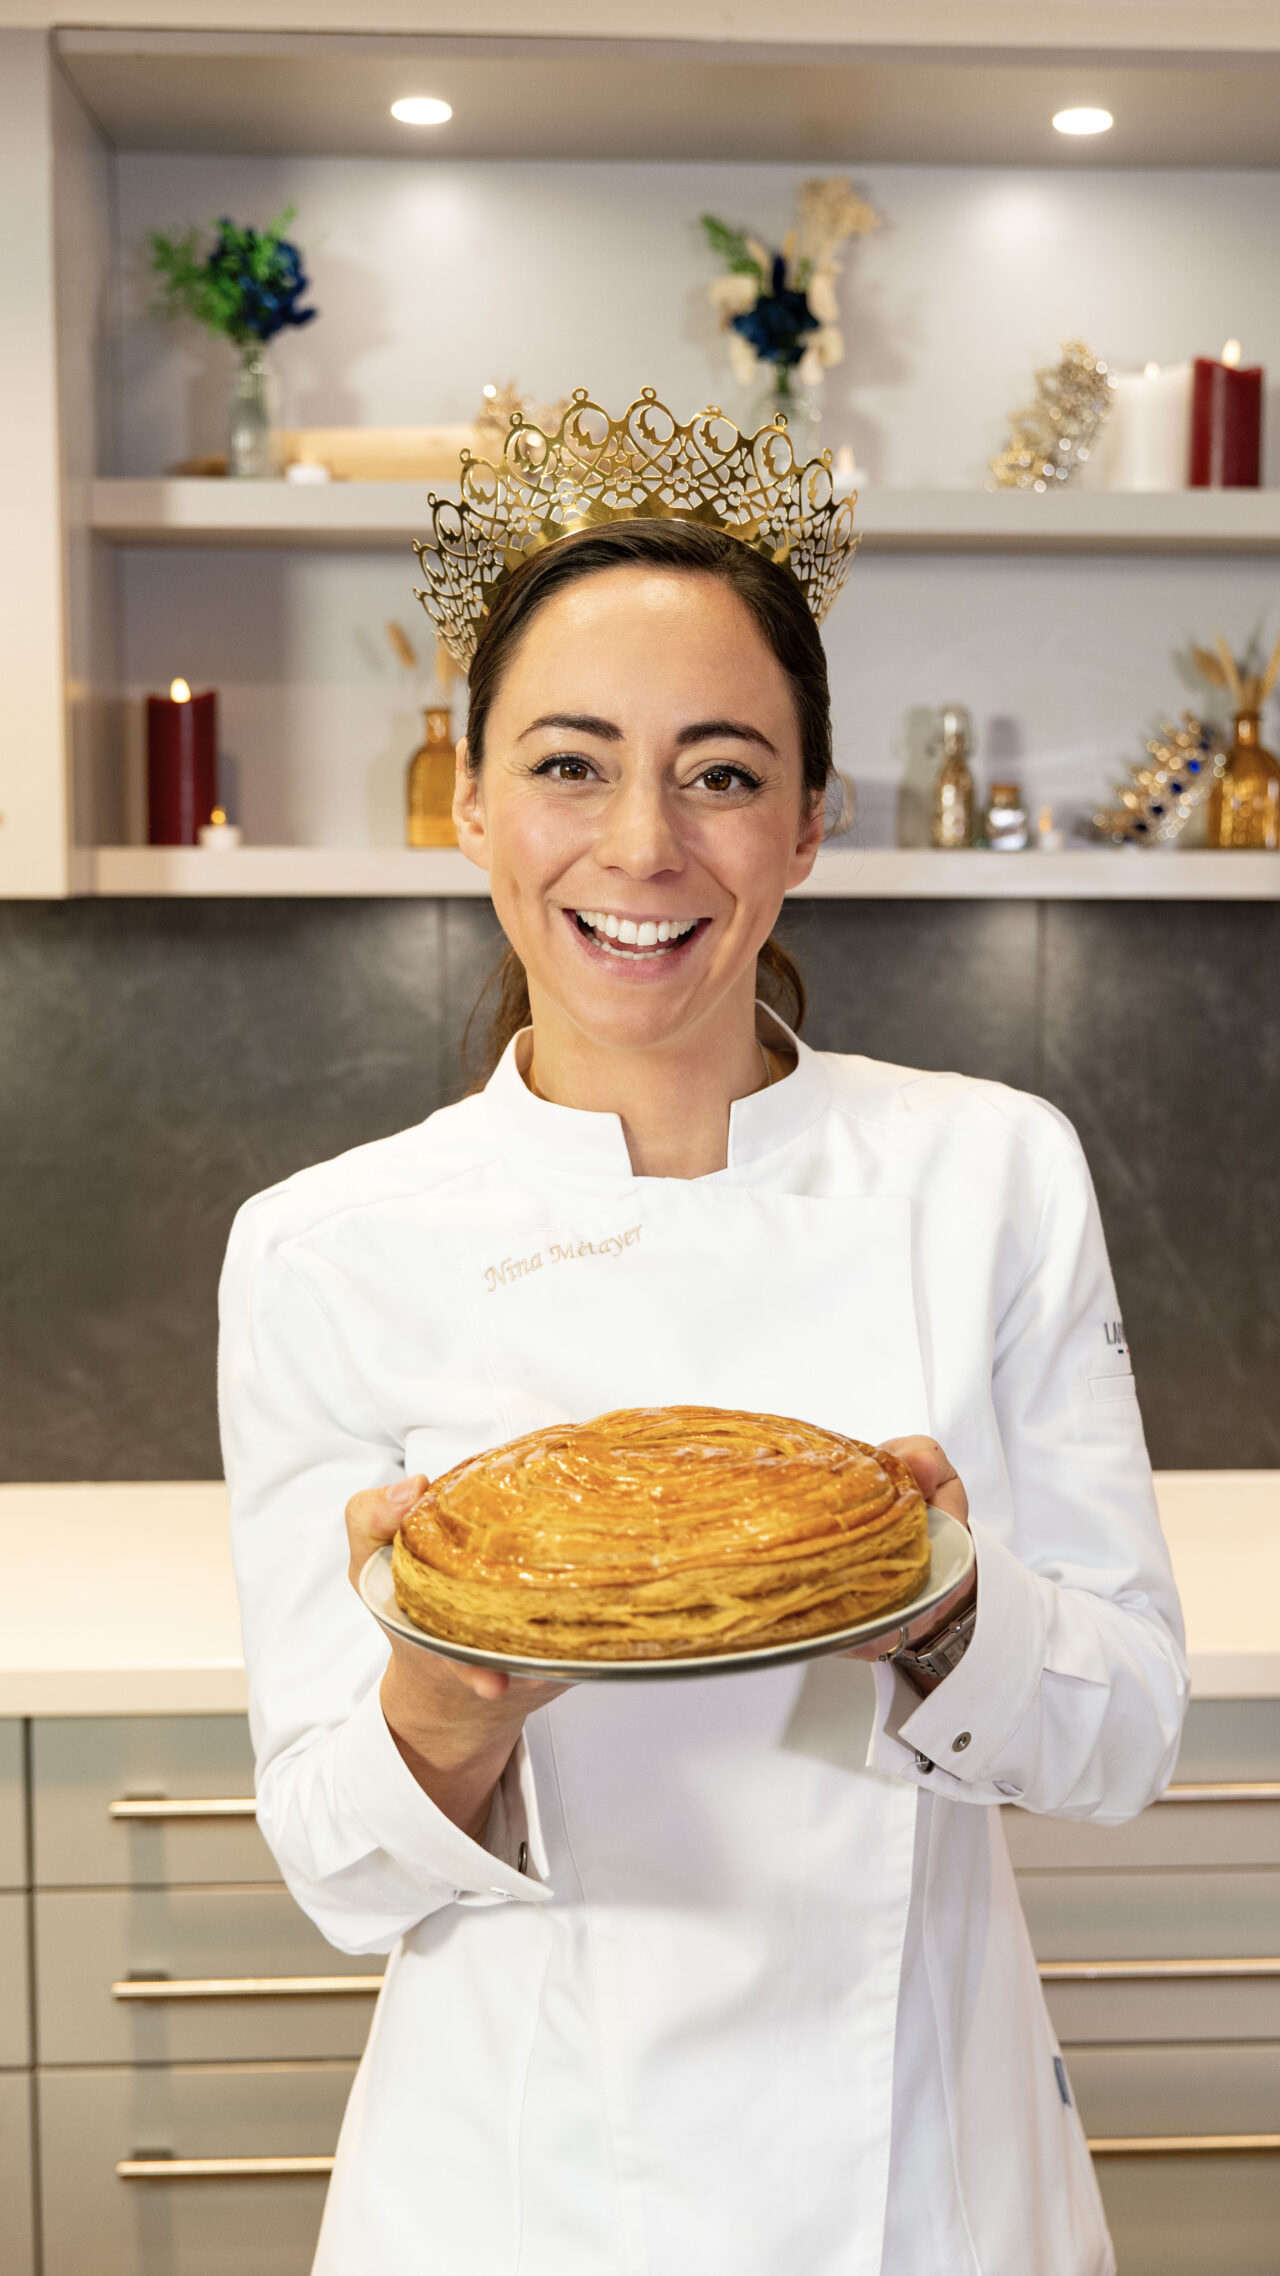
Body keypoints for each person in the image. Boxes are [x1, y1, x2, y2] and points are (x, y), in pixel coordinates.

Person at [220, 483, 1186, 2275]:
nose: (644, 845)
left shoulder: (991, 1173)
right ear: (478, 804)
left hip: (926, 2176)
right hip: (518, 2193)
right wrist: (448, 1705)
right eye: (572, 766)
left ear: (811, 821)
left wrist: (937, 1607)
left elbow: (1125, 1730)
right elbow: (334, 1871)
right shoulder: (325, 1245)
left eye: (723, 772)